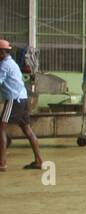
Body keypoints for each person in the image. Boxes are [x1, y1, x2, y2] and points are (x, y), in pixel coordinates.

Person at [0, 38, 44, 172]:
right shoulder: (11, 62)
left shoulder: (4, 65)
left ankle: (2, 163)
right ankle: (39, 161)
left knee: (1, 129)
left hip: (13, 100)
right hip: (23, 99)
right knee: (27, 130)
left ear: (2, 52)